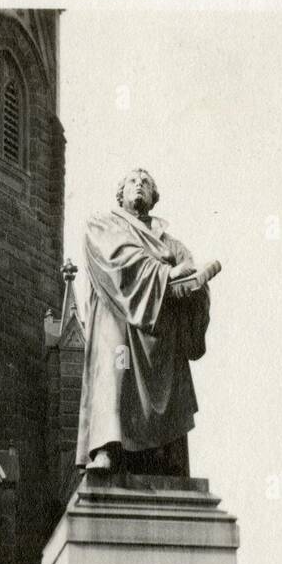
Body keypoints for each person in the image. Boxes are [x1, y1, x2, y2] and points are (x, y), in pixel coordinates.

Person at [76, 168, 211, 475]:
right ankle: (108, 447)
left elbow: (190, 275)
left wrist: (194, 290)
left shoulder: (172, 244)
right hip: (119, 317)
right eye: (132, 181)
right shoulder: (103, 225)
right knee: (115, 353)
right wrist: (165, 274)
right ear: (120, 194)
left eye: (146, 182)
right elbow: (116, 261)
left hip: (161, 332)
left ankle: (166, 456)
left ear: (154, 197)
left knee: (169, 354)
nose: (139, 184)